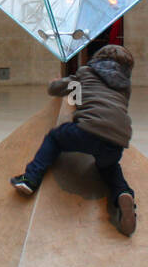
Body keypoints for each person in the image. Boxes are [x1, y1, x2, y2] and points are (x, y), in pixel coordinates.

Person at [9, 44, 137, 236]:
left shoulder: (86, 72)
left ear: (98, 57)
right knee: (109, 167)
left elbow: (57, 90)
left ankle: (30, 178)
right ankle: (123, 195)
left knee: (54, 138)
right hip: (117, 139)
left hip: (87, 130)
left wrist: (55, 82)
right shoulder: (125, 85)